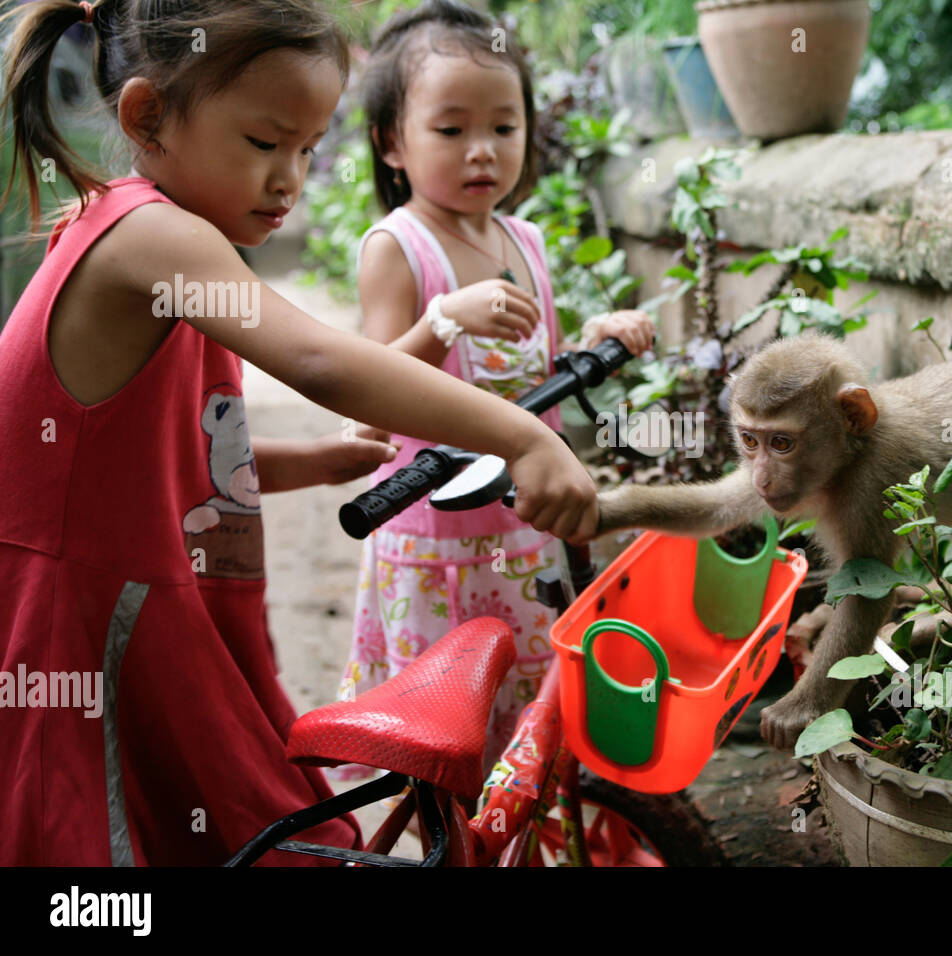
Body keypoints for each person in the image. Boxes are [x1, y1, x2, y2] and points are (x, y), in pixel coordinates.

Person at [0, 0, 598, 866]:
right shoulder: (152, 237)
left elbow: (151, 461)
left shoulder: (151, 233)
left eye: (309, 149)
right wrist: (525, 435)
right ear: (145, 116)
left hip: (131, 591)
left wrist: (307, 462)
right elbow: (321, 361)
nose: (292, 179)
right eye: (264, 143)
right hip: (75, 621)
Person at [334, 0, 654, 777]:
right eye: (451, 130)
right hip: (433, 541)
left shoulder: (525, 242)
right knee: (447, 734)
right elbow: (369, 389)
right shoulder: (398, 248)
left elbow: (532, 374)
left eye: (503, 128)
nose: (482, 151)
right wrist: (444, 318)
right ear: (391, 143)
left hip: (523, 530)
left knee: (526, 715)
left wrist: (593, 342)